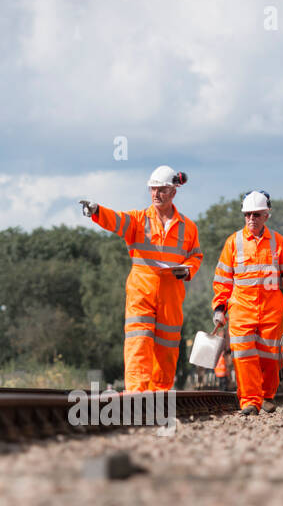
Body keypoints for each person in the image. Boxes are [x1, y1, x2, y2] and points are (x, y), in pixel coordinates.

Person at [79, 166, 202, 392]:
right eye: (152, 189)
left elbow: (195, 255)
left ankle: (160, 392)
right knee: (139, 340)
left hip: (171, 291)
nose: (156, 194)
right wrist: (97, 211)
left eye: (162, 190)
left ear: (173, 192)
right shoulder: (138, 220)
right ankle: (136, 391)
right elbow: (116, 220)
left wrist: (188, 270)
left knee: (167, 345)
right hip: (141, 290)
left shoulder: (188, 227)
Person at [212, 191, 283, 414]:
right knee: (243, 355)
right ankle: (249, 401)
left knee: (269, 357)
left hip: (271, 310)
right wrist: (219, 308)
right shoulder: (233, 243)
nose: (251, 219)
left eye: (256, 215)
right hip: (241, 310)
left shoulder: (278, 242)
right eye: (248, 215)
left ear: (266, 215)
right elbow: (222, 279)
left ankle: (267, 396)